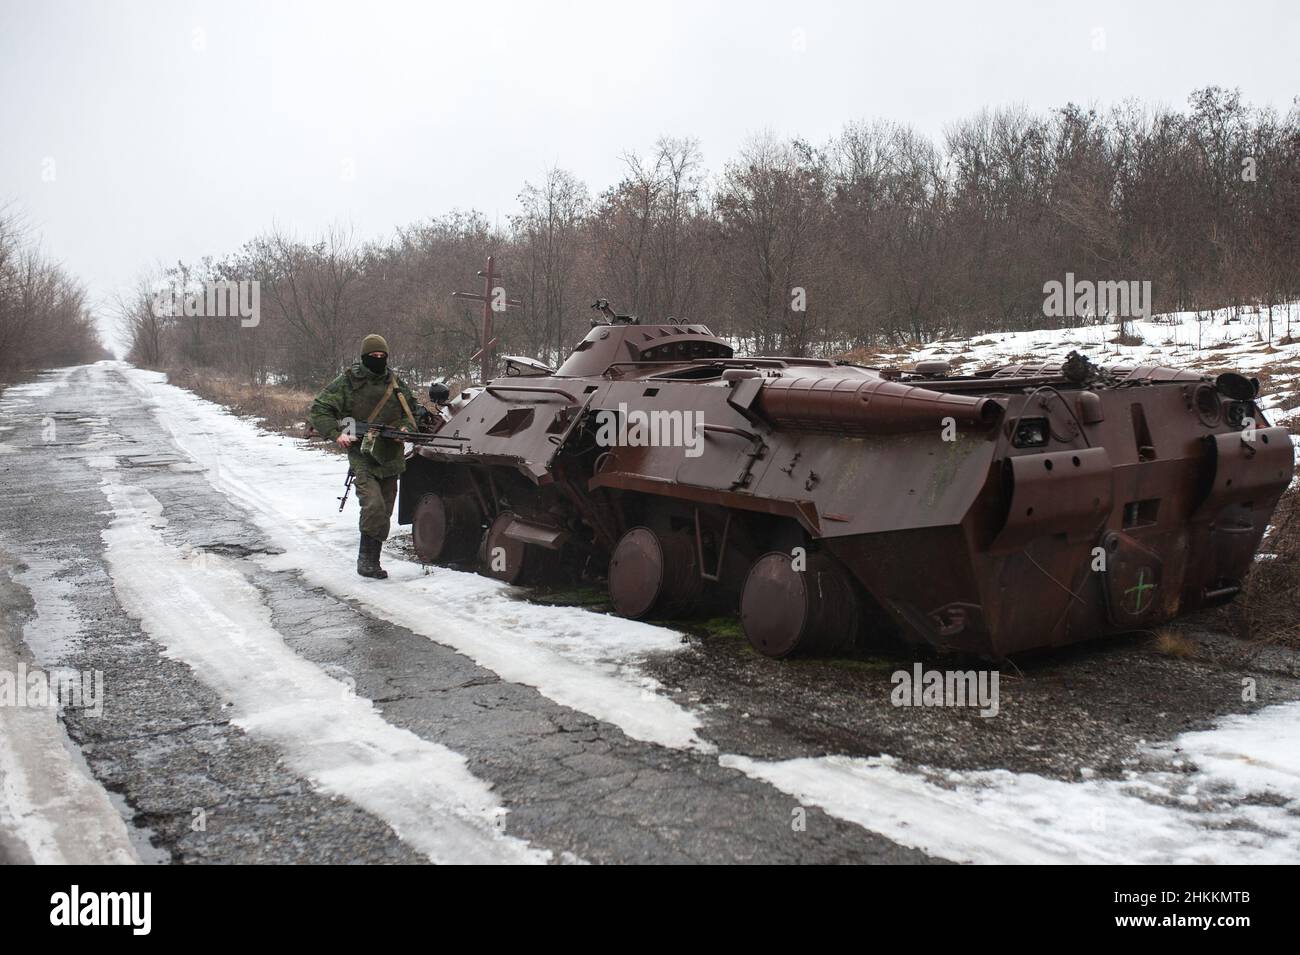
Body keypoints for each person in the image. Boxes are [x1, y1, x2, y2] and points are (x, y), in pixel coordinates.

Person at [309, 334, 430, 578]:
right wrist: (336, 434)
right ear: (364, 357)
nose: (378, 360)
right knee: (373, 506)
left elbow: (412, 411)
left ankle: (373, 561)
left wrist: (405, 429)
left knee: (384, 511)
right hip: (362, 455)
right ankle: (365, 562)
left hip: (391, 455)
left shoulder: (394, 382)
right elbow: (320, 408)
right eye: (373, 356)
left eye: (381, 356)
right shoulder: (349, 381)